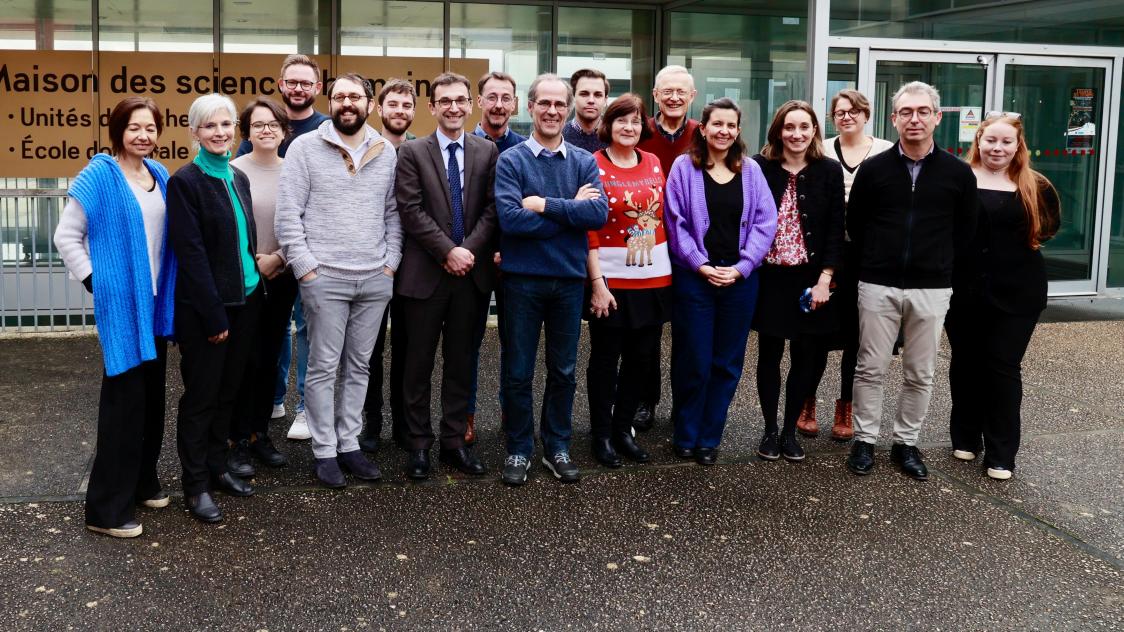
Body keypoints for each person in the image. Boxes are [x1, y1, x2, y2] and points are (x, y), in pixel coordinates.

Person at [54, 97, 176, 538]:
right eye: (134, 127)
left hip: (156, 303)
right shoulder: (100, 175)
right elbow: (66, 235)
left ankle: (142, 482)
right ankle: (105, 509)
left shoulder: (158, 174)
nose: (143, 135)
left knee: (151, 402)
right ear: (117, 130)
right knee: (123, 404)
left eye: (150, 128)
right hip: (123, 306)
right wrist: (94, 281)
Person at [845, 81, 977, 481]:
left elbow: (965, 233)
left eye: (922, 112)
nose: (914, 119)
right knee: (870, 368)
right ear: (894, 118)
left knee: (921, 372)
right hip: (879, 284)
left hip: (932, 288)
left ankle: (906, 443)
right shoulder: (874, 169)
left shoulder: (957, 173)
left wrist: (939, 268)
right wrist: (876, 263)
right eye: (906, 112)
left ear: (937, 117)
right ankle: (864, 440)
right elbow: (857, 224)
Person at [275, 72, 402, 489]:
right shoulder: (304, 148)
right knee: (323, 366)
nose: (347, 103)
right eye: (338, 96)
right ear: (329, 101)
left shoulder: (386, 152)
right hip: (324, 277)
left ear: (370, 103)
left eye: (355, 96)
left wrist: (390, 264)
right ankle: (324, 450)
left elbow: (392, 214)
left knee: (359, 366)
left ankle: (350, 444)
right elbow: (287, 215)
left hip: (374, 278)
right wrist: (306, 269)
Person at [494, 73, 609, 486]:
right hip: (522, 281)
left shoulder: (582, 162)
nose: (552, 111)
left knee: (563, 370)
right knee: (518, 370)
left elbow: (596, 215)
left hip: (567, 281)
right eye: (544, 103)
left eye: (560, 104)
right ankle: (519, 450)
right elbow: (510, 220)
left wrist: (543, 205)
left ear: (569, 108)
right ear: (531, 107)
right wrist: (567, 215)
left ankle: (556, 446)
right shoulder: (511, 161)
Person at [394, 72, 498, 480]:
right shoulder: (412, 153)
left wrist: (467, 251)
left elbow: (492, 209)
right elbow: (410, 210)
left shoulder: (487, 152)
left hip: (470, 276)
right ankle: (418, 444)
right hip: (425, 276)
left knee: (461, 364)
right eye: (445, 101)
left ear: (470, 104)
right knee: (416, 366)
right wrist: (447, 250)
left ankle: (454, 441)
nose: (453, 107)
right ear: (432, 107)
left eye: (460, 100)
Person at [946, 112, 1060, 480]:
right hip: (963, 291)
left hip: (1018, 293)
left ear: (1017, 145)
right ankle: (965, 437)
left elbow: (1048, 228)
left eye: (1006, 141)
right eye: (990, 140)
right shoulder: (959, 179)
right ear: (978, 141)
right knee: (965, 363)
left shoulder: (1035, 184)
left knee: (1002, 368)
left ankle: (1001, 453)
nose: (997, 147)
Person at [664, 97, 777, 466]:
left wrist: (743, 267)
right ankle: (686, 432)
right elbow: (674, 221)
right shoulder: (684, 167)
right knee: (693, 358)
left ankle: (710, 437)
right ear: (704, 127)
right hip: (695, 279)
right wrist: (699, 264)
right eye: (717, 124)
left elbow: (765, 223)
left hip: (740, 281)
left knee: (727, 363)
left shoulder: (752, 171)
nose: (724, 131)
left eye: (731, 125)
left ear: (738, 130)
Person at [167, 94, 262, 523]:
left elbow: (244, 241)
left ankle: (218, 468)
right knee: (201, 399)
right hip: (209, 312)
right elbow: (191, 255)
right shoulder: (185, 181)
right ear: (195, 133)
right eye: (210, 127)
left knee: (229, 394)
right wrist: (213, 316)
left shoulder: (238, 176)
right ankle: (195, 486)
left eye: (226, 125)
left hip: (246, 302)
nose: (220, 133)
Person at [751, 101, 845, 463]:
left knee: (806, 356)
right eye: (790, 127)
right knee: (770, 355)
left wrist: (826, 280)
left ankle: (790, 430)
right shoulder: (760, 167)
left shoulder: (828, 171)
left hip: (812, 279)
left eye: (804, 127)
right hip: (770, 277)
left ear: (814, 131)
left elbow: (837, 228)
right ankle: (770, 429)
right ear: (778, 131)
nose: (797, 134)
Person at [798, 89, 894, 441]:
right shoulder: (819, 151)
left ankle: (845, 407)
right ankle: (806, 402)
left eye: (854, 111)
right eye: (840, 112)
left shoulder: (885, 151)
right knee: (817, 331)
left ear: (867, 114)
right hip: (827, 253)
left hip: (867, 256)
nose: (847, 117)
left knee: (857, 334)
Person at [584, 93, 669, 468]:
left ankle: (623, 430)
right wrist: (597, 282)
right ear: (609, 124)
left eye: (636, 121)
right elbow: (588, 227)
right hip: (611, 280)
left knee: (640, 360)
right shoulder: (593, 164)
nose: (629, 127)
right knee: (605, 361)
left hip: (653, 278)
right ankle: (601, 435)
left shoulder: (652, 162)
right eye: (622, 120)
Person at [251, 55, 331, 443]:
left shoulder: (327, 130)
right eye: (291, 82)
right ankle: (274, 397)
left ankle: (304, 408)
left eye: (306, 82)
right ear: (280, 84)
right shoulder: (263, 125)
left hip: (314, 255)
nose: (298, 88)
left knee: (309, 329)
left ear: (318, 88)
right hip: (269, 258)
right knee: (276, 329)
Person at [227, 97, 294, 475]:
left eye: (273, 124)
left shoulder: (295, 171)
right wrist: (252, 262)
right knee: (243, 360)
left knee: (270, 358)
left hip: (281, 276)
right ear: (247, 132)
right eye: (257, 125)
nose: (265, 130)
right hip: (244, 279)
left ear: (284, 132)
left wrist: (279, 257)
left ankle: (259, 434)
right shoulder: (233, 170)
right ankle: (235, 440)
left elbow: (308, 220)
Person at [633, 64, 700, 430]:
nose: (674, 97)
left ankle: (683, 404)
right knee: (649, 331)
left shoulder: (703, 134)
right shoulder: (639, 131)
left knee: (688, 333)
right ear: (655, 96)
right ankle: (646, 400)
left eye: (681, 92)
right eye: (666, 91)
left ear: (692, 97)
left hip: (692, 249)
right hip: (648, 245)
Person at [466, 71, 527, 446]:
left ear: (515, 104)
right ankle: (466, 416)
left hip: (515, 262)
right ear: (479, 102)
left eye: (506, 97)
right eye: (492, 97)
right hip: (471, 261)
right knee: (467, 343)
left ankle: (511, 412)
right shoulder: (463, 144)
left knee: (514, 343)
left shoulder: (523, 148)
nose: (499, 105)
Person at [359, 78, 418, 454]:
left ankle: (402, 422)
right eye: (392, 104)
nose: (399, 111)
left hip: (414, 269)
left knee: (408, 349)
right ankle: (371, 422)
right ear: (379, 109)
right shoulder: (365, 150)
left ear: (414, 111)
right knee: (369, 349)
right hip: (372, 265)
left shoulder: (422, 151)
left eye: (406, 105)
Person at [563, 68, 609, 153]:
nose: (591, 100)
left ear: (605, 100)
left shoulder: (614, 137)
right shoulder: (559, 137)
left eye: (598, 95)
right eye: (584, 94)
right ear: (573, 97)